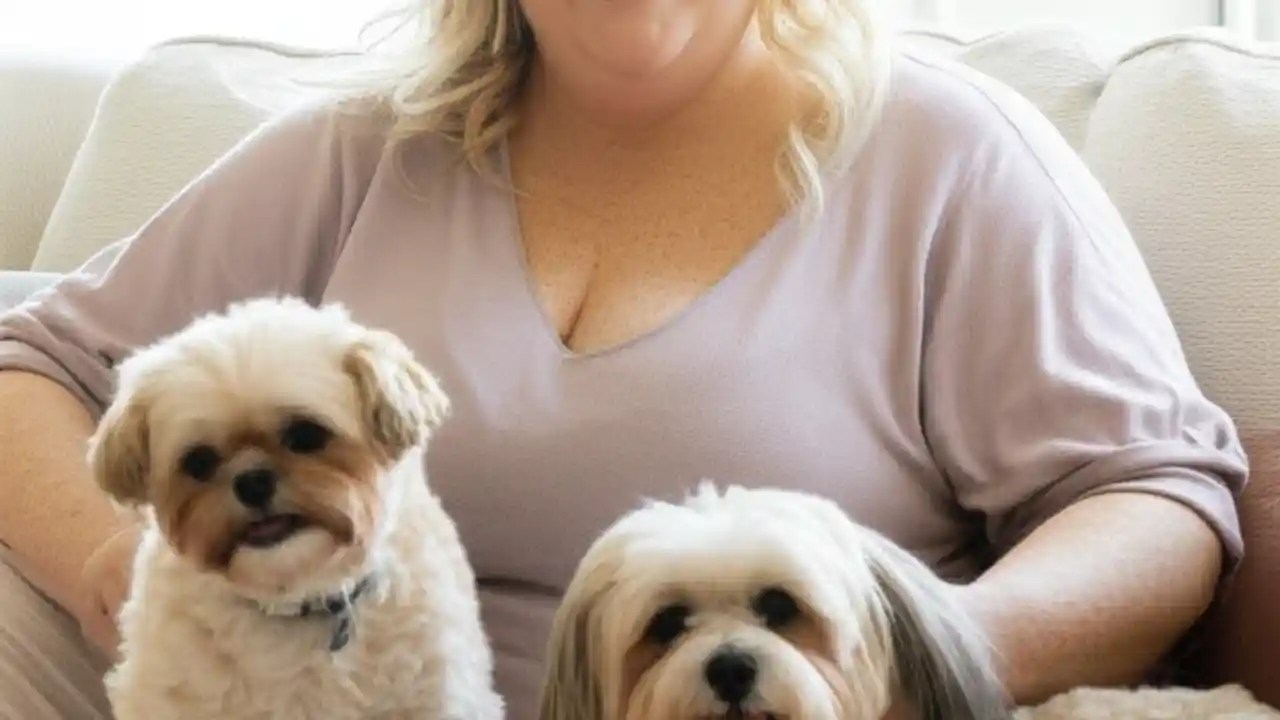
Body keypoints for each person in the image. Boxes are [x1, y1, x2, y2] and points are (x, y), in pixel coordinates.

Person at [0, 0, 1249, 717]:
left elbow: (1150, 498)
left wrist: (923, 651)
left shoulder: (947, 156)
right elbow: (35, 364)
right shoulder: (361, 150)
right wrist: (125, 570)